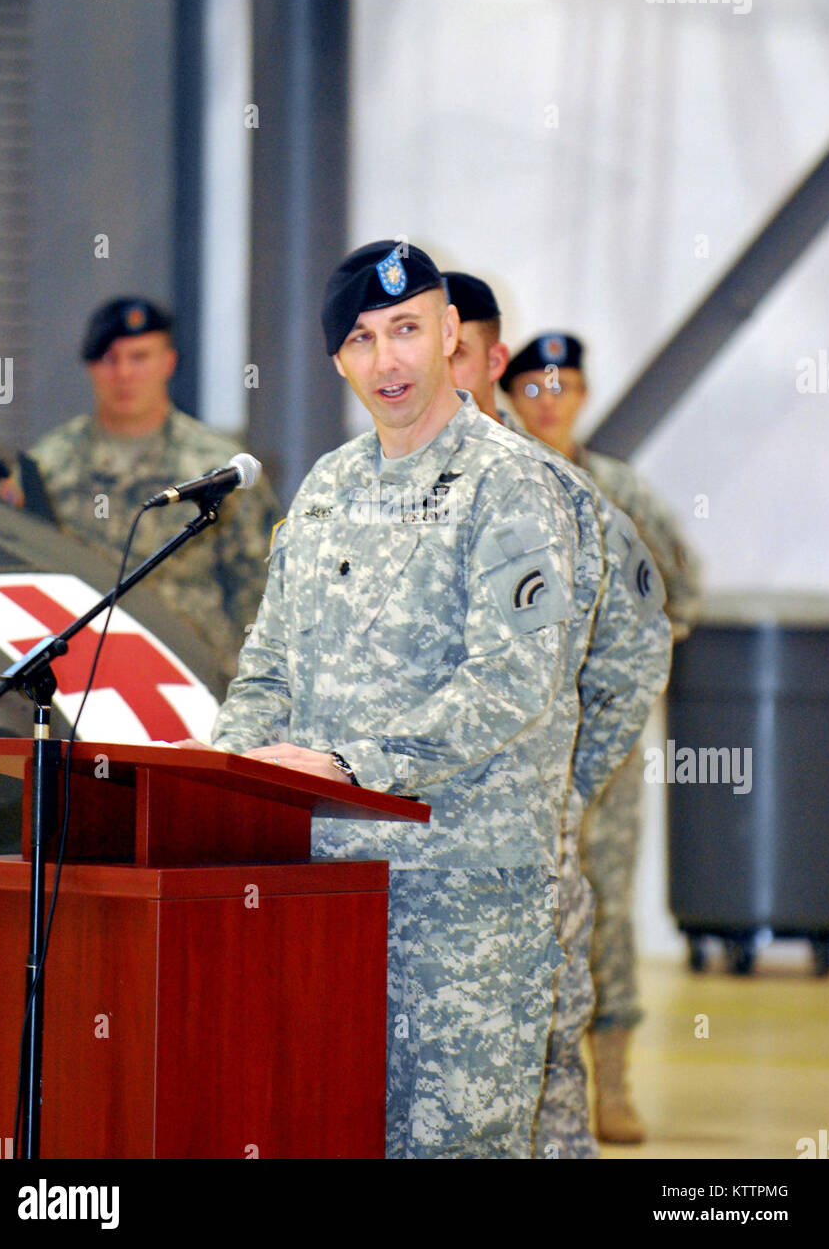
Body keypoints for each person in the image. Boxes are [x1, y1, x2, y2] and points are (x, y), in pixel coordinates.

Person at [210, 241, 604, 1159]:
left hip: (461, 899)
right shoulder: (326, 489)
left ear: (449, 335)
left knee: (456, 1148)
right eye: (360, 340)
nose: (386, 360)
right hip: (328, 893)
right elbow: (269, 664)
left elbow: (511, 681)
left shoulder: (512, 485)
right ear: (338, 361)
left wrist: (351, 768)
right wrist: (229, 778)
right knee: (328, 1130)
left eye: (407, 331)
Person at [445, 272, 671, 1157]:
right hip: (454, 805)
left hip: (568, 776)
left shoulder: (585, 490)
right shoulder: (384, 486)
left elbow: (651, 619)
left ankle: (608, 1079)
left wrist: (575, 767)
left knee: (583, 936)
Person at [502, 332, 702, 1143]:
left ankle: (610, 1083)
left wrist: (622, 682)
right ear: (513, 393)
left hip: (602, 744)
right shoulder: (499, 482)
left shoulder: (618, 490)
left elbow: (676, 597)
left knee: (606, 900)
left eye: (566, 384)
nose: (550, 399)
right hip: (514, 734)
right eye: (536, 385)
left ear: (582, 394)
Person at [12, 298, 281, 678]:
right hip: (84, 680)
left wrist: (251, 696)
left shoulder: (219, 468)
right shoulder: (48, 466)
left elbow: (261, 593)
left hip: (197, 677)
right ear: (91, 368)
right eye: (109, 358)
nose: (123, 373)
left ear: (168, 362)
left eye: (139, 357)